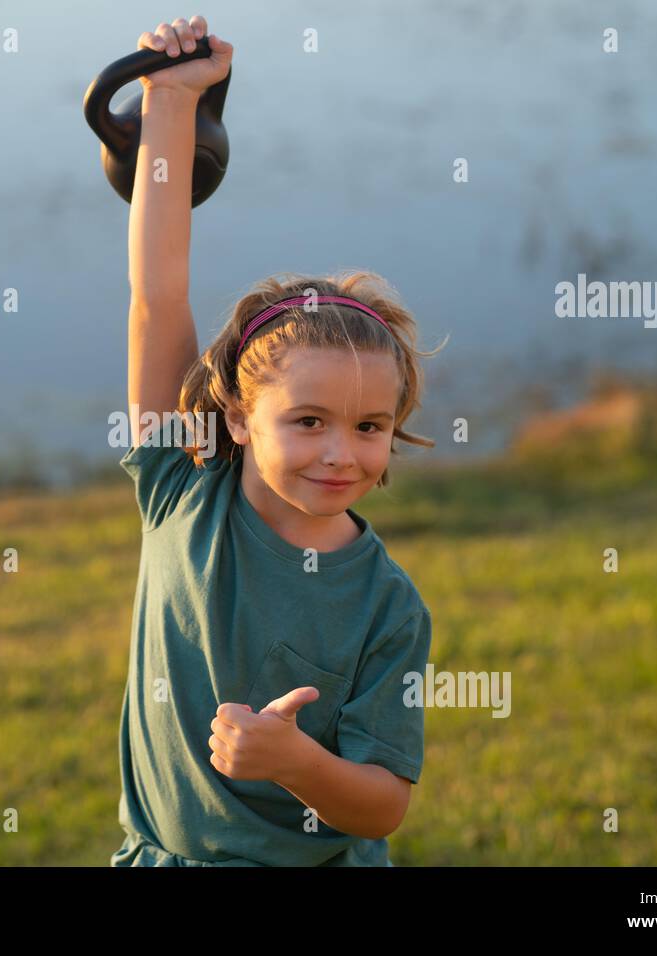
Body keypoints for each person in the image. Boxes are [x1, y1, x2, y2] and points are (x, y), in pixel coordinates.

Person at [111, 14, 447, 866]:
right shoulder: (182, 487)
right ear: (234, 416)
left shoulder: (388, 607)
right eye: (308, 421)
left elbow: (382, 808)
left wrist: (294, 761)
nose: (341, 452)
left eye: (369, 427)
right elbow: (158, 292)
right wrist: (170, 101)